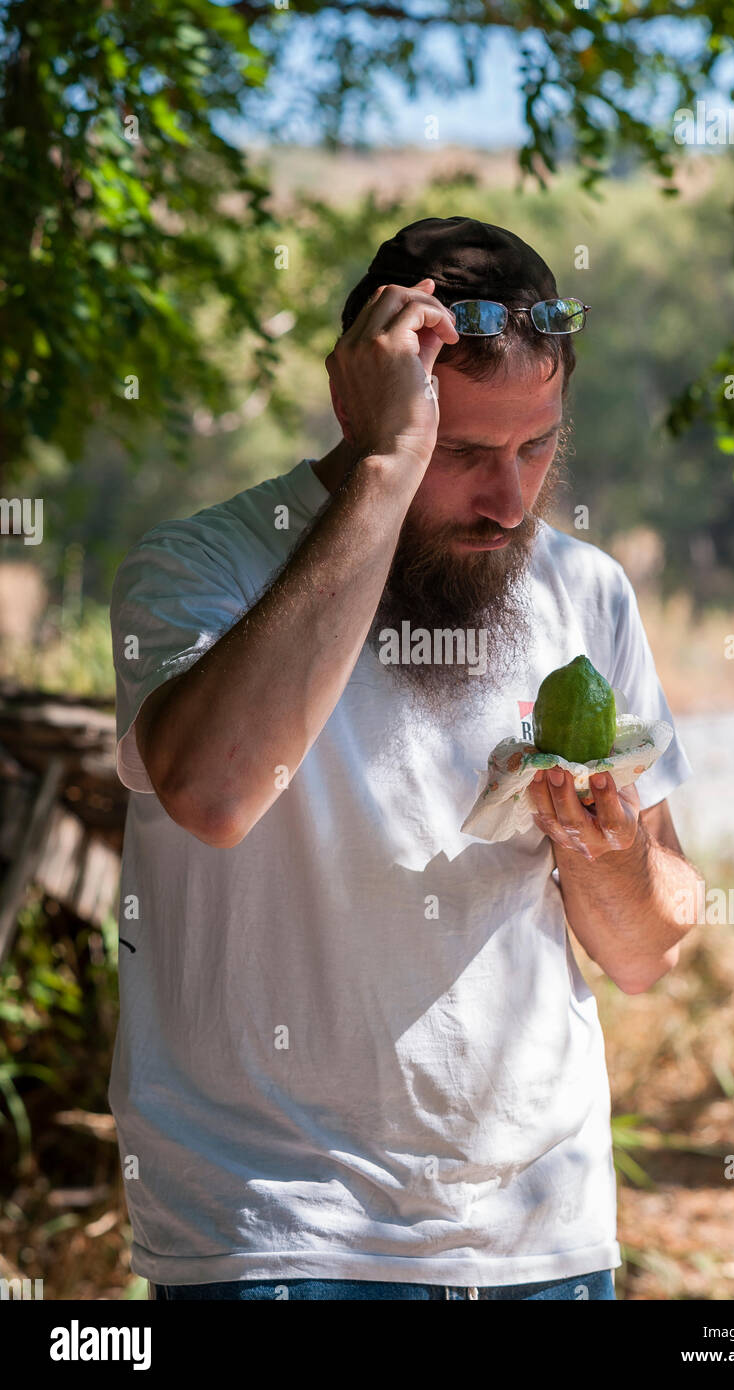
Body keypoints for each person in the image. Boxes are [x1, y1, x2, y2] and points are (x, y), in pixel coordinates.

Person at [109, 215, 700, 1302]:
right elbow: (215, 789)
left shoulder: (585, 592)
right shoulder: (200, 567)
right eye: (463, 452)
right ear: (360, 402)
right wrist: (387, 471)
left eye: (536, 448)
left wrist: (608, 858)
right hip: (279, 1231)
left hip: (542, 1239)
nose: (509, 500)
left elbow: (643, 952)